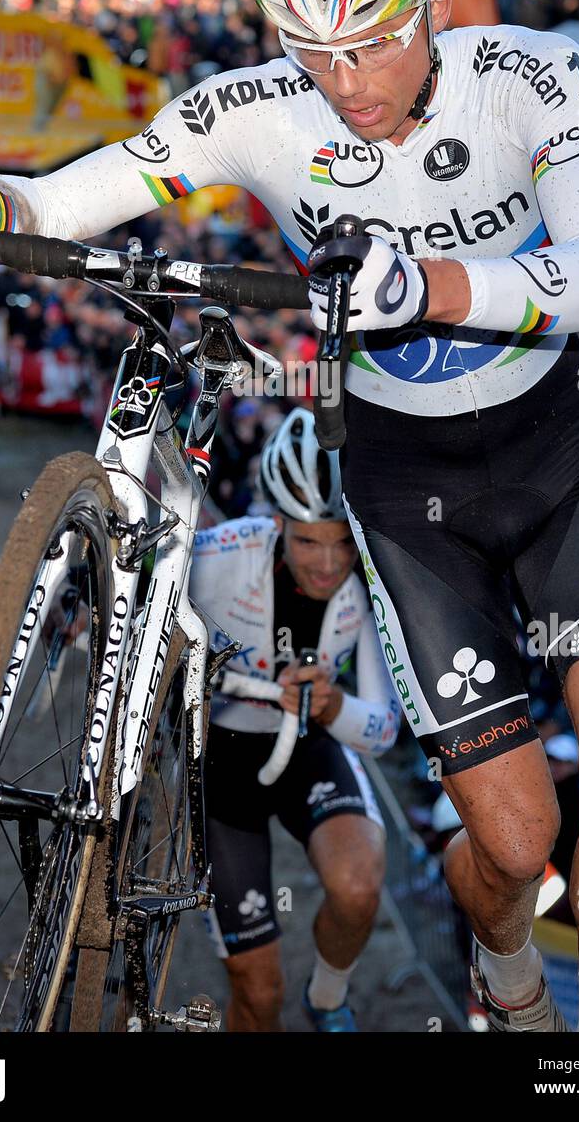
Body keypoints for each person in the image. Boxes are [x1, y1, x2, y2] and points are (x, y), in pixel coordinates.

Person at [0, 0, 579, 1033]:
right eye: (311, 48)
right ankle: (502, 967)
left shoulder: (529, 71)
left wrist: (434, 285)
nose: (343, 79)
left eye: (366, 42)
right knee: (513, 846)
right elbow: (56, 203)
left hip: (558, 449)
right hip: (408, 490)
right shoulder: (251, 111)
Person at [189, 407, 400, 1031]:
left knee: (359, 886)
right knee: (258, 995)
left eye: (343, 543)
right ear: (276, 521)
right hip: (219, 768)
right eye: (308, 540)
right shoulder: (223, 553)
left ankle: (329, 998)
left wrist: (332, 704)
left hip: (307, 748)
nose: (329, 565)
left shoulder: (373, 583)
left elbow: (384, 730)